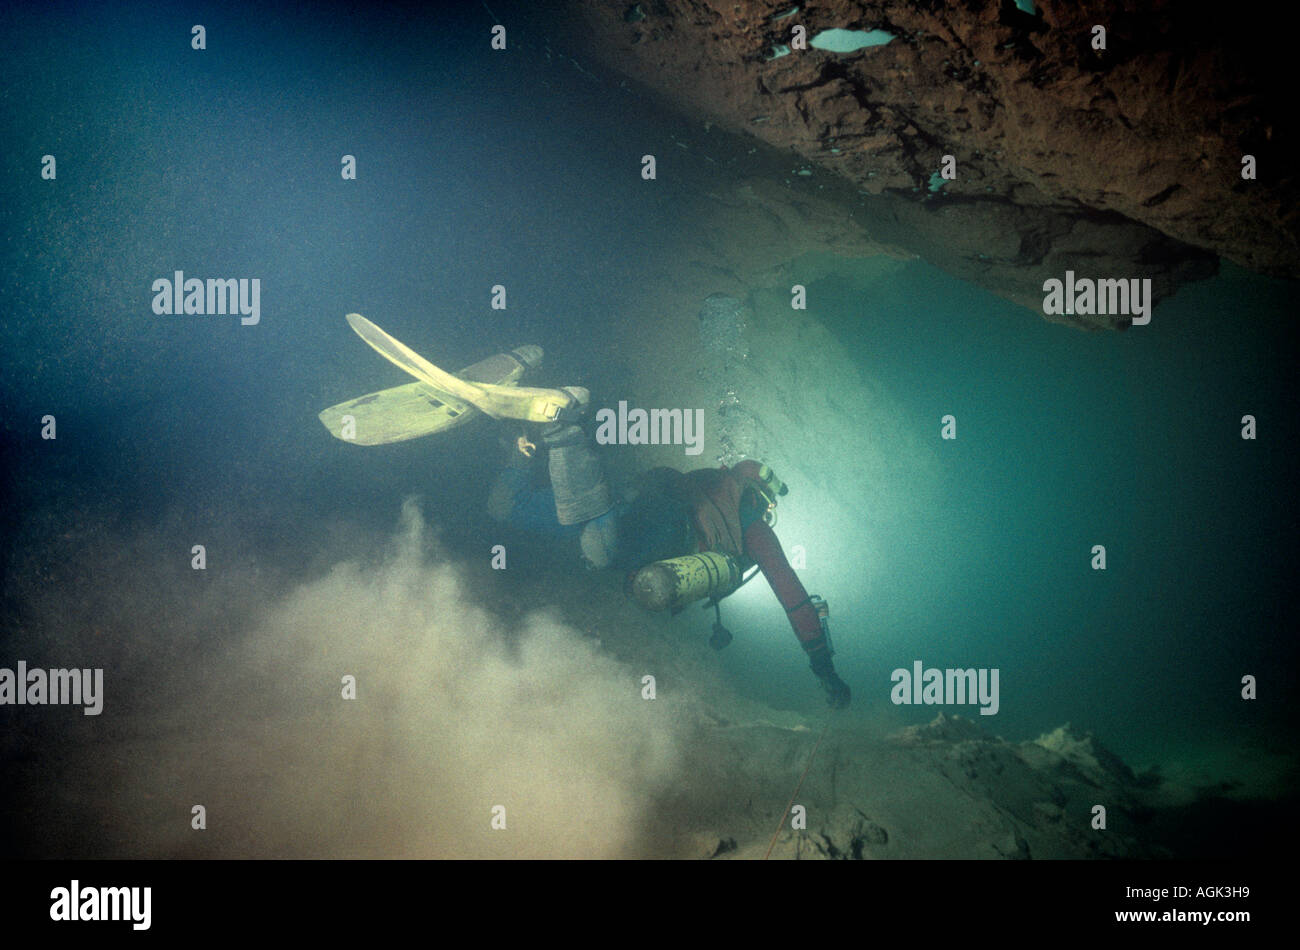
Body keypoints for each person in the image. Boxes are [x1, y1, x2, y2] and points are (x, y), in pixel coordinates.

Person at [486, 388, 851, 709]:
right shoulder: (753, 525)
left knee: (508, 507)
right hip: (660, 535)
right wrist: (826, 670)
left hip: (630, 500)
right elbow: (794, 599)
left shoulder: (711, 480)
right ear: (763, 496)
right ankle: (568, 442)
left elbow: (664, 482)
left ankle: (524, 447)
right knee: (602, 548)